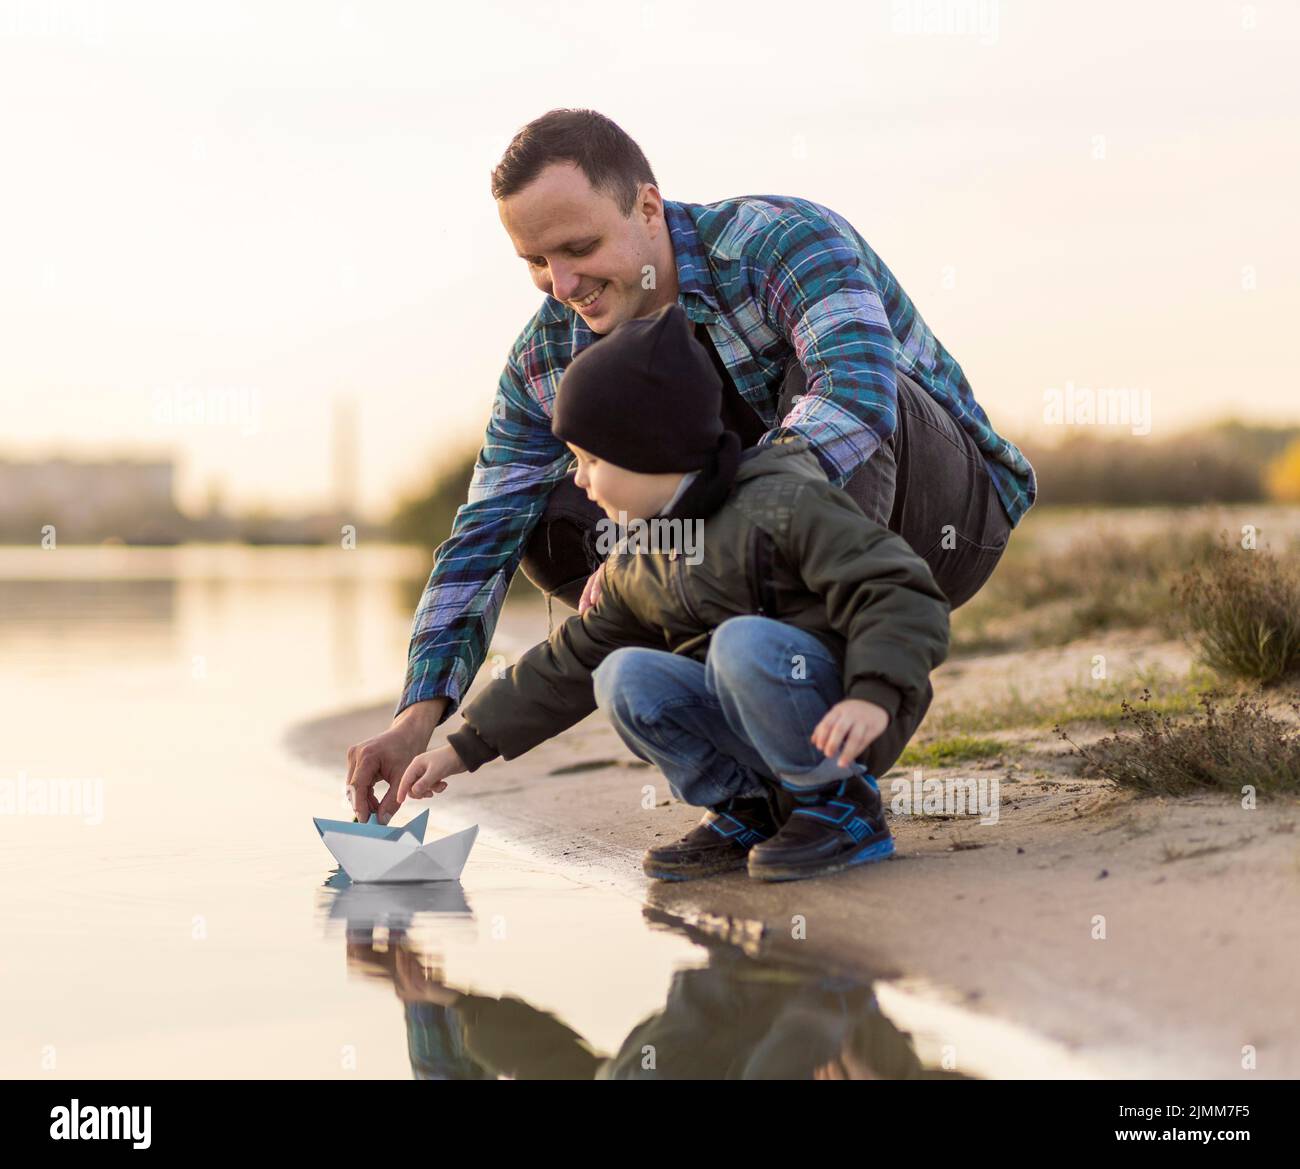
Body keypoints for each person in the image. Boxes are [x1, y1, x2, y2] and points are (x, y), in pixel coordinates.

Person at [345, 107, 1032, 832]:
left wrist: (663, 542)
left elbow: (856, 403)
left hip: (941, 514)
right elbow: (482, 535)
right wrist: (418, 719)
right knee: (549, 520)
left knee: (835, 389)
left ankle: (829, 770)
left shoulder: (782, 241)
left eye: (580, 247)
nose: (563, 282)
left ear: (647, 207)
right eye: (537, 262)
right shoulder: (546, 356)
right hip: (749, 560)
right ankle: (751, 780)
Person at [386, 303, 950, 883]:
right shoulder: (642, 554)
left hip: (846, 714)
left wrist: (873, 694)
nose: (577, 480)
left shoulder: (783, 501)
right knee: (620, 674)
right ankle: (748, 809)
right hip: (753, 718)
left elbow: (900, 590)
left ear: (648, 451)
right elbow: (567, 663)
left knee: (739, 643)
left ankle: (841, 808)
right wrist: (462, 747)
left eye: (590, 460)